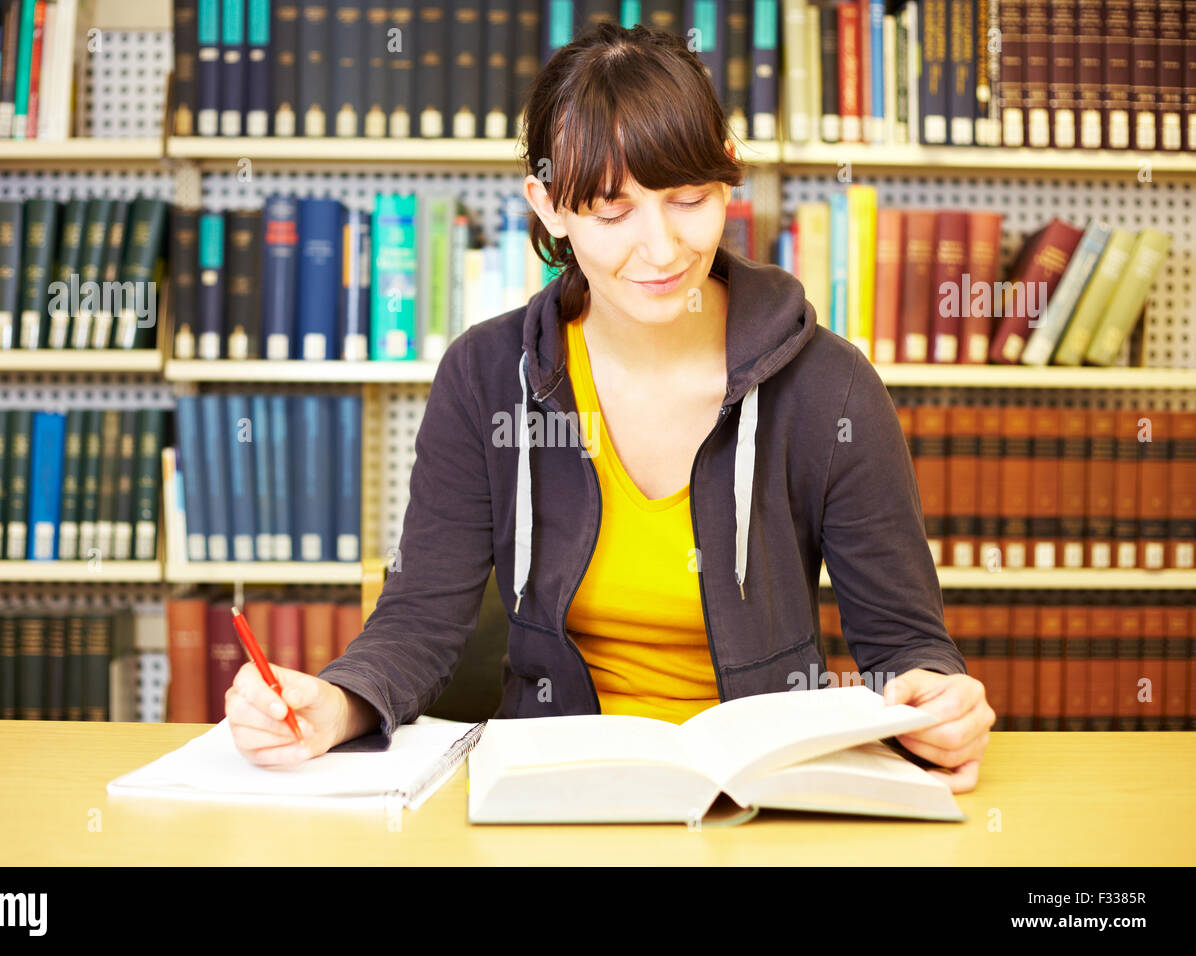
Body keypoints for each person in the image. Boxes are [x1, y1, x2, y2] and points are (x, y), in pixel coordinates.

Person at [226, 22, 995, 793]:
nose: (660, 249)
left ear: (727, 182)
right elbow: (419, 623)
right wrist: (334, 701)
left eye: (688, 199)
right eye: (610, 210)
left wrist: (937, 701)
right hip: (554, 790)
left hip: (765, 793)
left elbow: (905, 643)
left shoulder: (832, 387)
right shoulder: (487, 377)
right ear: (549, 206)